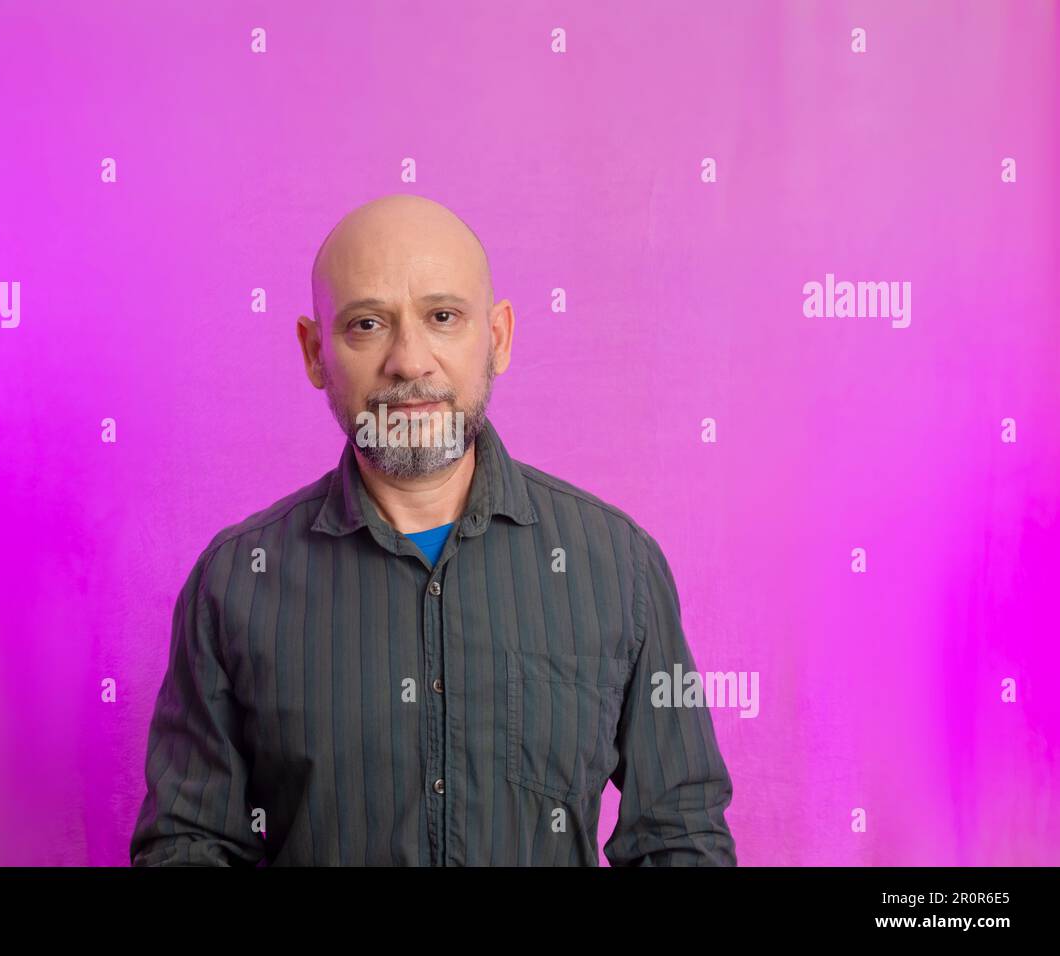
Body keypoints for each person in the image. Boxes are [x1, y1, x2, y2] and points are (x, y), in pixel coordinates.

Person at [129, 194, 736, 866]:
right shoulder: (235, 582)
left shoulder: (617, 565)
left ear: (498, 338)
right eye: (366, 324)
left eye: (442, 317)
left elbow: (679, 836)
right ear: (313, 352)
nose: (410, 361)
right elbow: (191, 842)